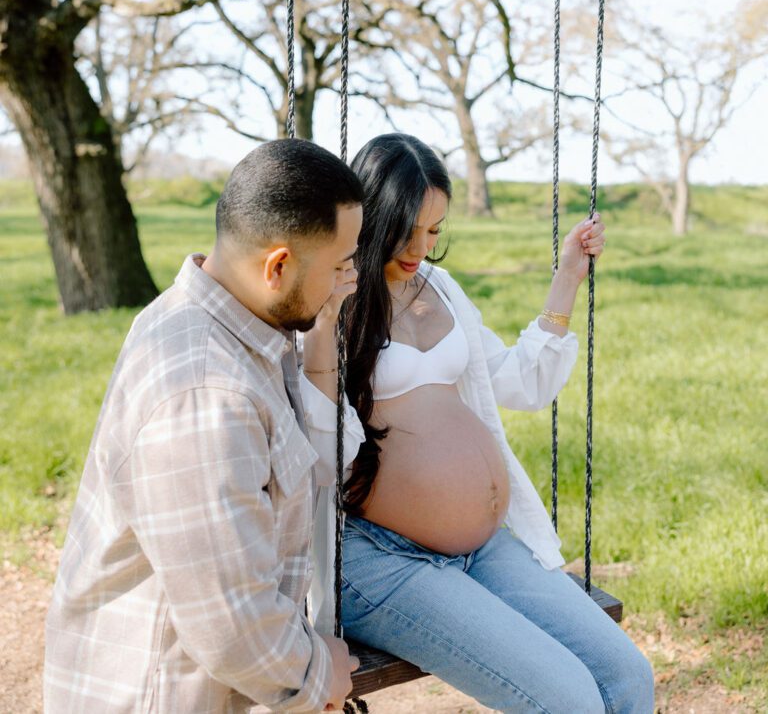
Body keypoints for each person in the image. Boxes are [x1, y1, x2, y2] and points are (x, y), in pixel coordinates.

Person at [299, 133, 655, 713]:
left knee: (628, 676)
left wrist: (567, 276)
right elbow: (318, 452)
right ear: (368, 217)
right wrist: (322, 337)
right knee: (568, 700)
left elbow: (517, 382)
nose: (420, 247)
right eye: (404, 230)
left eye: (434, 231)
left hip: (484, 547)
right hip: (382, 558)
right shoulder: (329, 300)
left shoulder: (440, 289)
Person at [45, 139, 364, 713]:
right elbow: (231, 623)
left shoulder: (235, 328)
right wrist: (321, 672)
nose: (351, 278)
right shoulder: (205, 391)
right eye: (340, 264)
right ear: (278, 266)